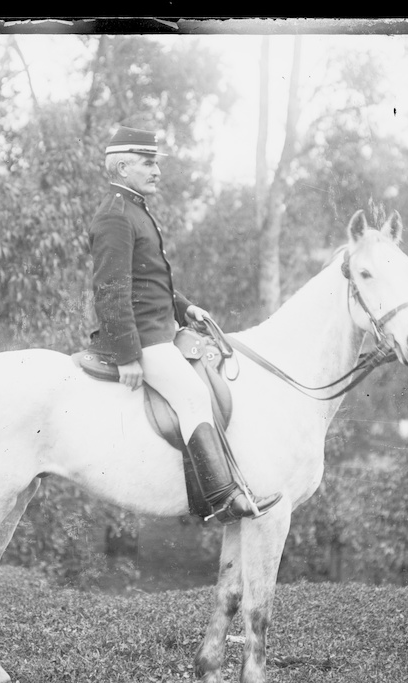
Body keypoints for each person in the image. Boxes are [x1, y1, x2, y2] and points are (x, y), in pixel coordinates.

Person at [87, 126, 281, 524]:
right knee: (193, 394)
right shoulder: (115, 216)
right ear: (122, 167)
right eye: (148, 163)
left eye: (155, 163)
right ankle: (223, 499)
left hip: (160, 329)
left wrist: (185, 308)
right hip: (143, 339)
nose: (157, 170)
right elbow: (110, 290)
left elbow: (148, 282)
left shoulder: (134, 210)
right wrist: (127, 355)